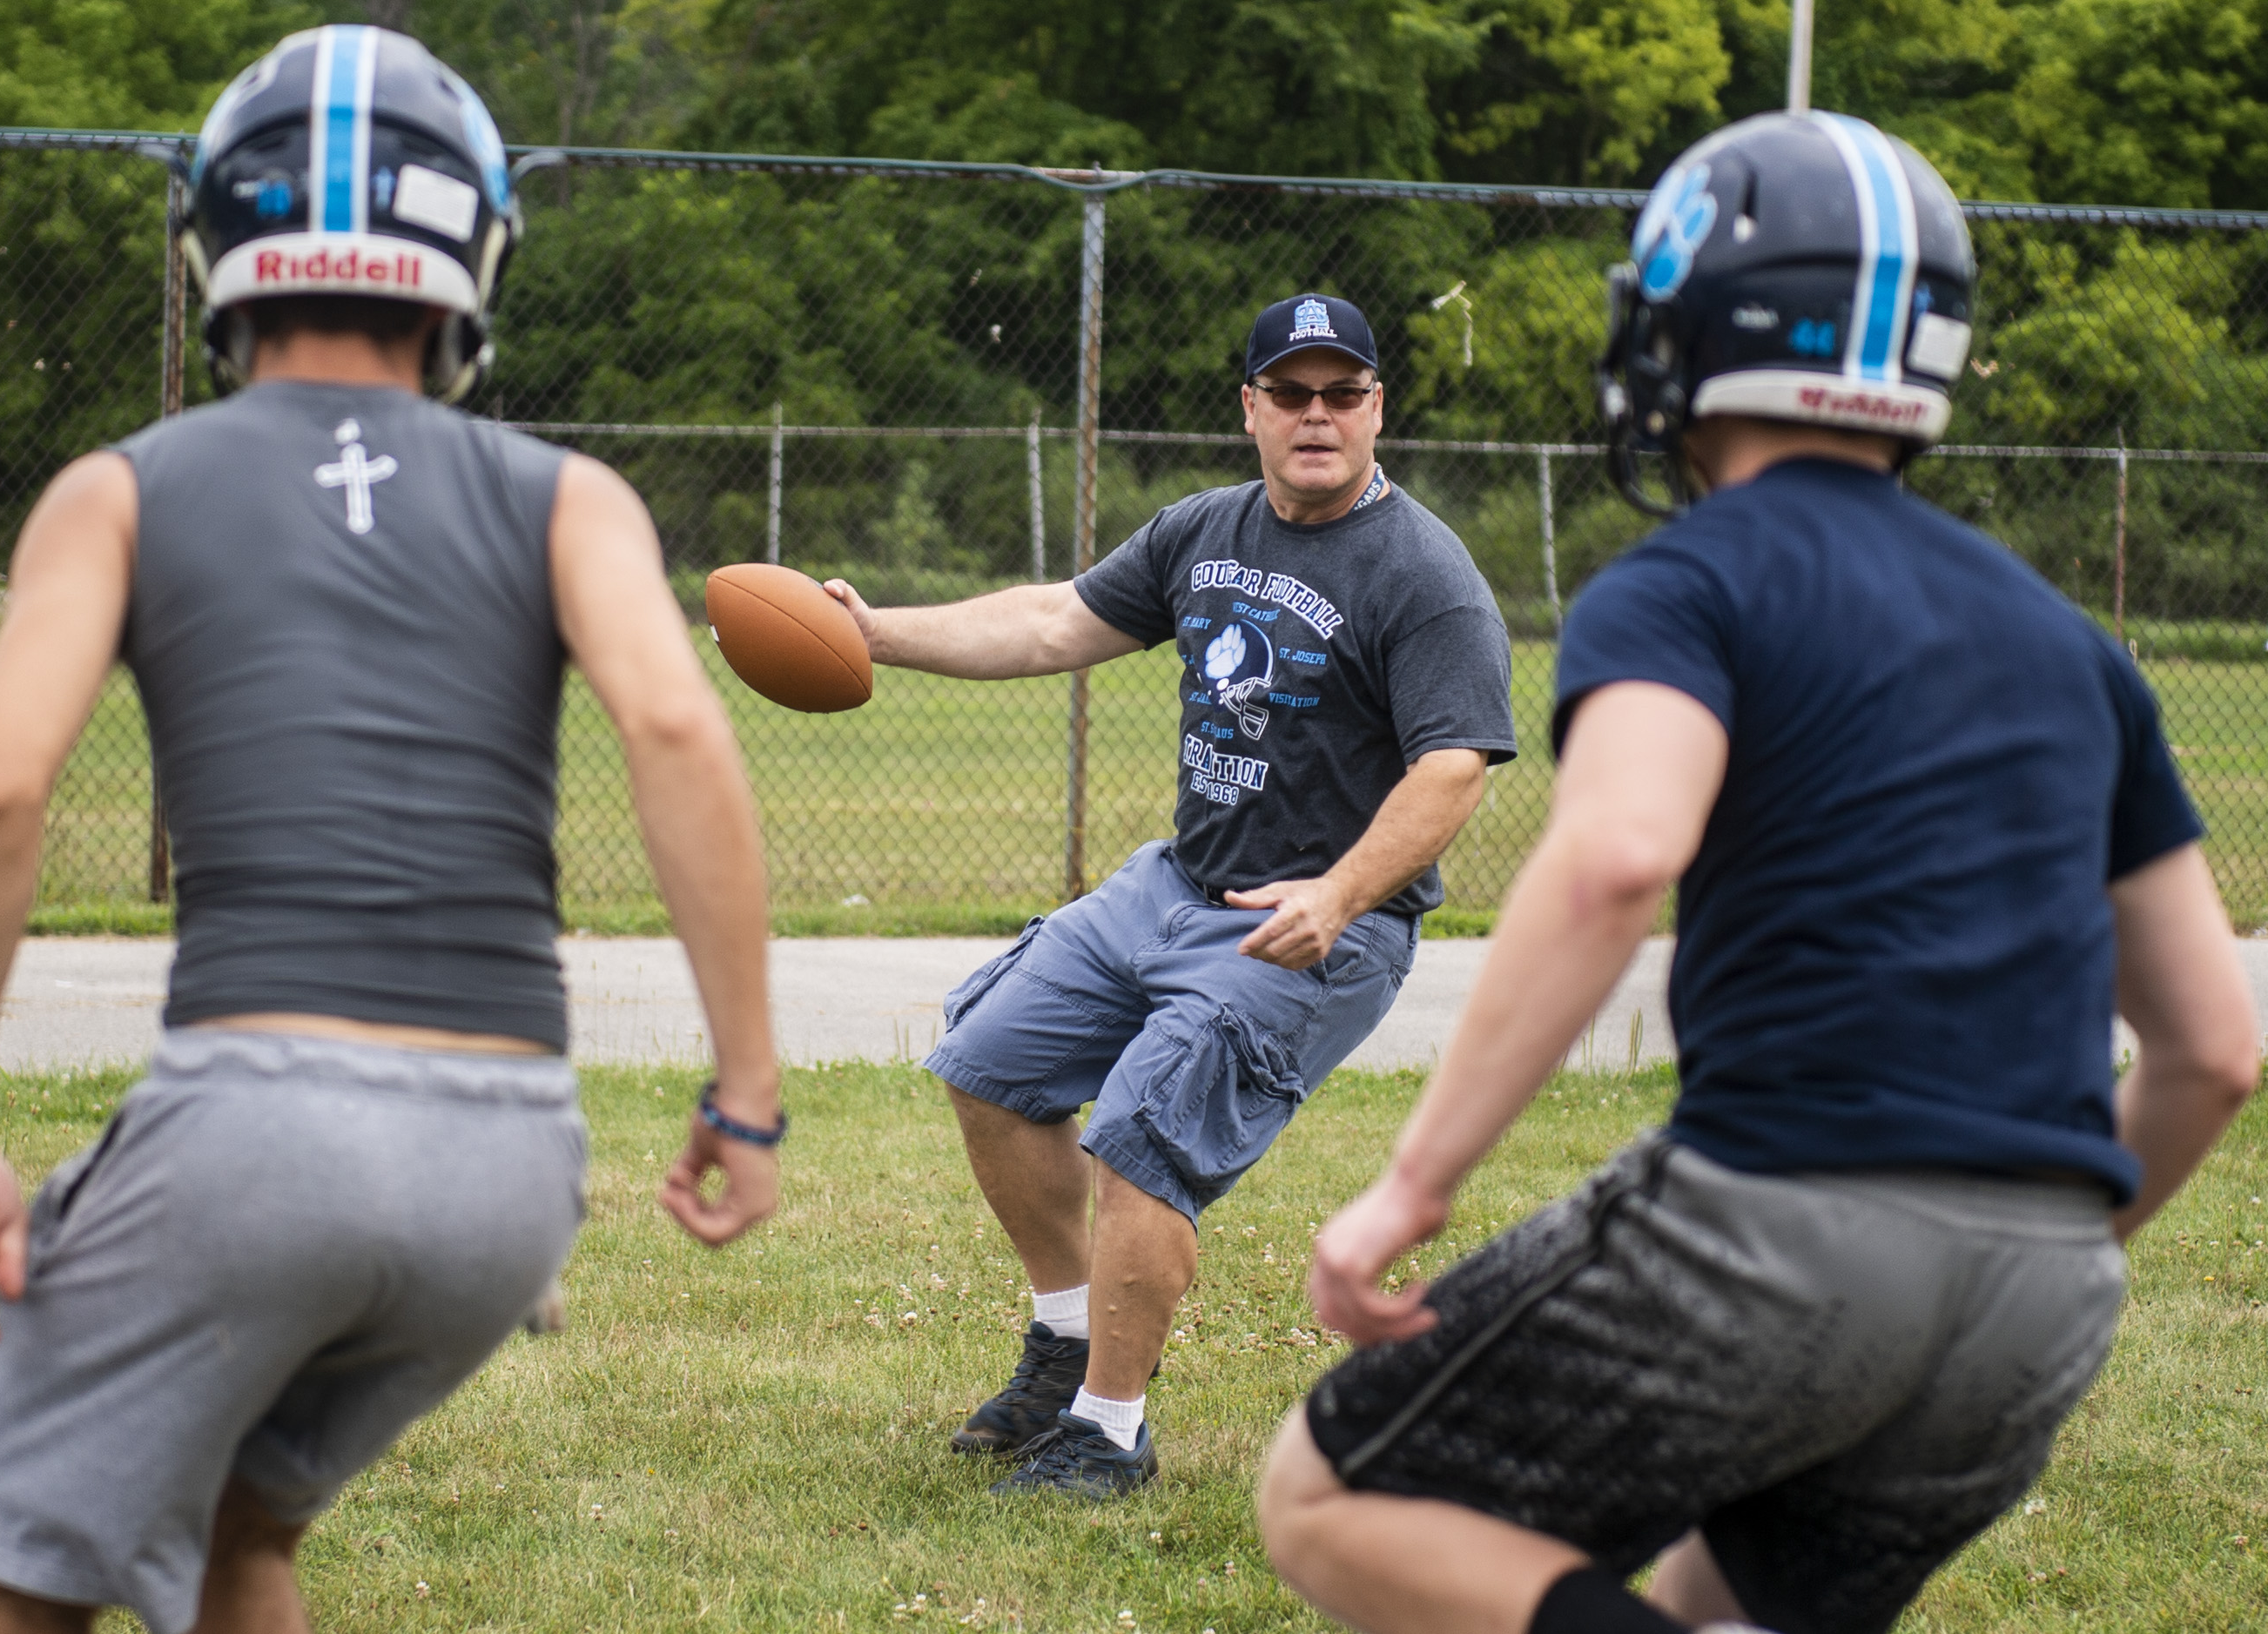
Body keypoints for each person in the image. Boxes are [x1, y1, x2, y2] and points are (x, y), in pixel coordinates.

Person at [1255, 111, 2261, 1634]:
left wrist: (1414, 1181)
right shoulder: (2070, 645)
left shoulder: (1689, 578)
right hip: (2050, 1285)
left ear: (1687, 327)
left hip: (1787, 1213)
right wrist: (2016, 1252)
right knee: (1725, 1599)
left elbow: (1616, 857)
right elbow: (2216, 1047)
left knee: (1332, 1501)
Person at [0, 28, 784, 1634]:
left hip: (253, 1123)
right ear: (469, 247)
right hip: (512, 1163)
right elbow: (674, 727)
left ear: (220, 240)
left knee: (8, 1569)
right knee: (244, 1521)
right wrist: (750, 1089)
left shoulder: (121, 488)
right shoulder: (571, 494)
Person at [822, 293, 1518, 1496]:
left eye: (1341, 393)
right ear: (1249, 407)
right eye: (1290, 392)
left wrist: (1343, 893)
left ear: (1375, 410)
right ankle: (1065, 1338)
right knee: (990, 1061)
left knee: (1145, 1131)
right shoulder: (1205, 530)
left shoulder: (1424, 575)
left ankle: (1109, 1428)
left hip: (1318, 923)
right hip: (1180, 881)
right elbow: (1050, 622)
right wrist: (875, 634)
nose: (1317, 414)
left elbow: (1452, 767)